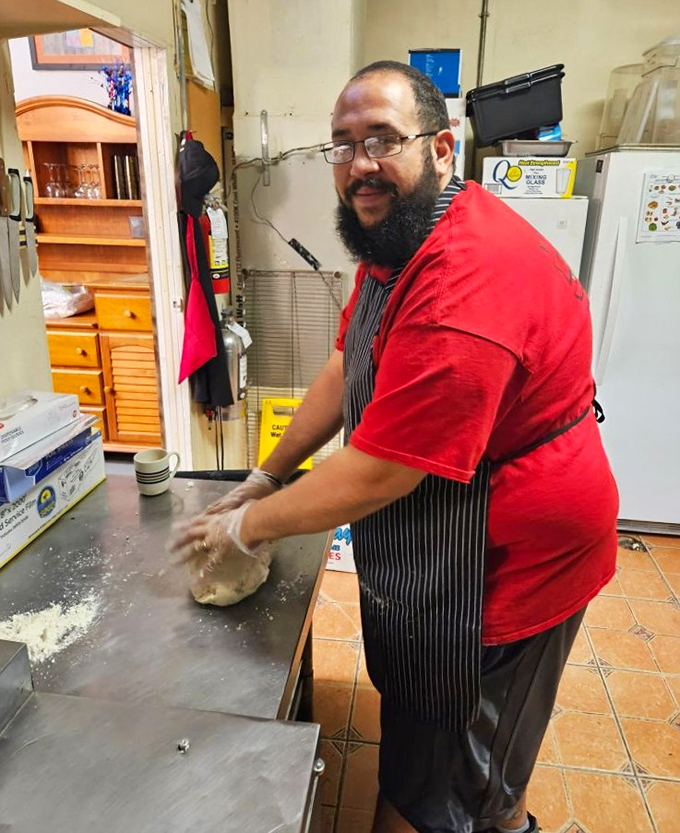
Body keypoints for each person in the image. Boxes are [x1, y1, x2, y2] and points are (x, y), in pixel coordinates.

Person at [172, 61, 619, 833]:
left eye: (383, 139)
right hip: (452, 515)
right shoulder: (399, 235)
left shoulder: (464, 284)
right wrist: (265, 473)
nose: (359, 164)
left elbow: (379, 471)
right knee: (436, 741)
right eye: (342, 145)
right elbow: (349, 362)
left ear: (443, 148)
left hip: (515, 552)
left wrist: (248, 525)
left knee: (470, 762)